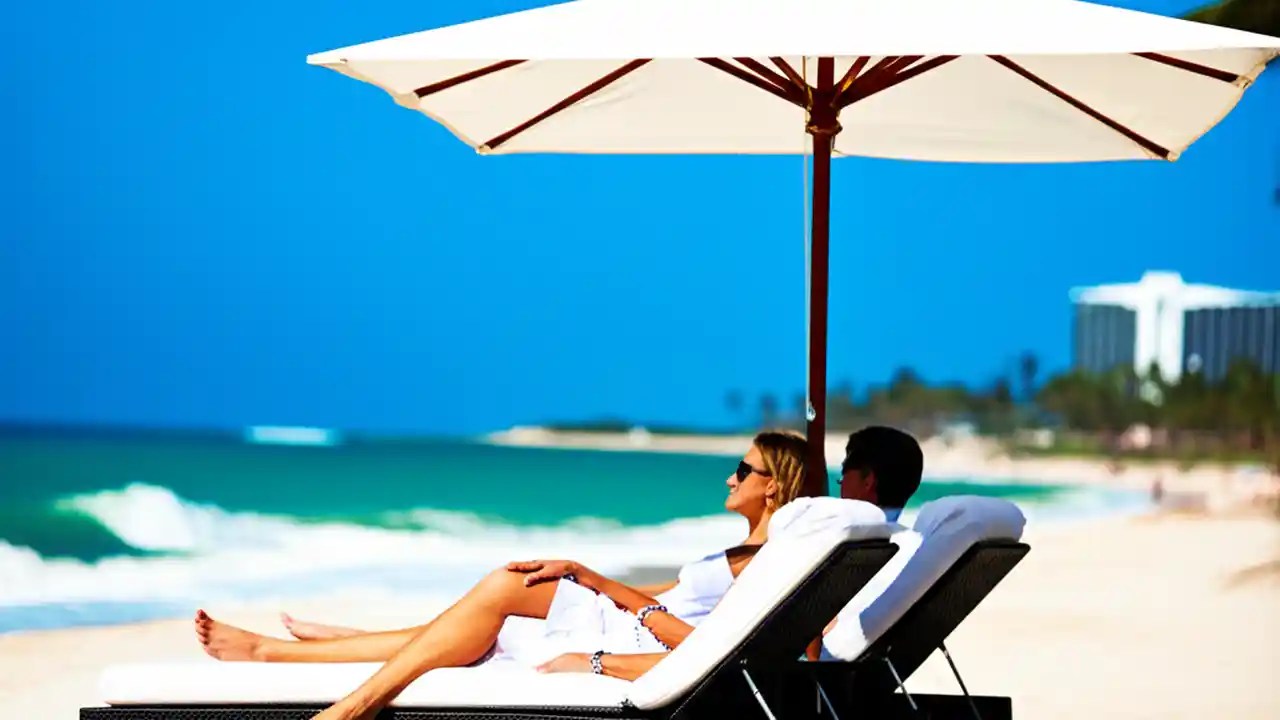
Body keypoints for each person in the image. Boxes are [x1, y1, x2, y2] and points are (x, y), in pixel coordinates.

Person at [194, 431, 814, 720]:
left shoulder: (765, 566)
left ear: (774, 486)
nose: (730, 477)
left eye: (743, 468)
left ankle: (356, 701)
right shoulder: (741, 555)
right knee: (470, 621)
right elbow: (670, 599)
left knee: (493, 597)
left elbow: (711, 649)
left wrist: (593, 626)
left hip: (631, 641)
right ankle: (276, 650)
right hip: (628, 622)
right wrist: (582, 579)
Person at [836, 425, 924, 522]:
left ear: (867, 482)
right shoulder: (914, 534)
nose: (841, 484)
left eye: (842, 476)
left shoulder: (830, 533)